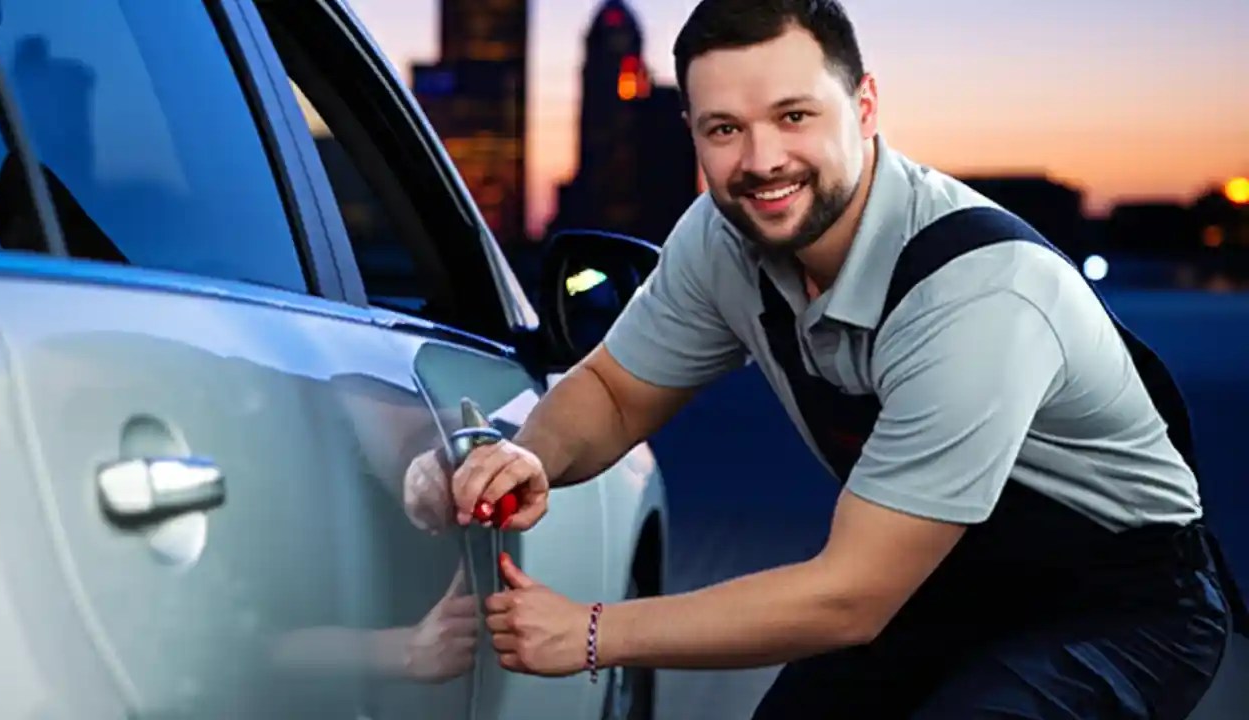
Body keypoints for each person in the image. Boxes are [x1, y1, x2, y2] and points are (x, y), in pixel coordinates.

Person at [446, 0, 1246, 716]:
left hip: (1119, 605)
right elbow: (618, 393)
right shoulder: (719, 238)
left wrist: (592, 633)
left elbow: (850, 599)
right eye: (725, 128)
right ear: (691, 131)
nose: (761, 160)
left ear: (864, 107)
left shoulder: (977, 295)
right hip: (936, 584)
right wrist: (531, 455)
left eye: (794, 116)